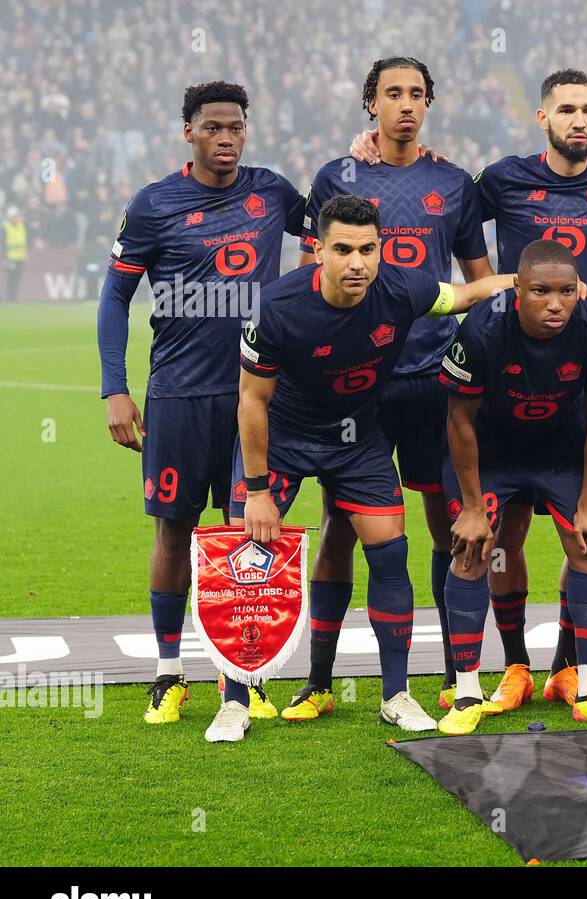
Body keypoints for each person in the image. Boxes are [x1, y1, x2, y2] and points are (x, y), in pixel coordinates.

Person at [210, 194, 512, 743]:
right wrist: (256, 491)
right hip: (282, 440)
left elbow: (468, 292)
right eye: (343, 250)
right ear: (319, 251)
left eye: (368, 249)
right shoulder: (276, 306)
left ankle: (395, 694)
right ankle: (235, 698)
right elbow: (251, 402)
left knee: (390, 548)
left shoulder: (401, 287)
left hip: (356, 439)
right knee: (243, 555)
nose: (357, 263)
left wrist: (533, 281)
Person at [285, 56, 493, 723]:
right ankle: (318, 682)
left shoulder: (452, 182)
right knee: (341, 526)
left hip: (434, 380)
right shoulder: (336, 179)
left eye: (416, 94)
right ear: (369, 103)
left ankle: (457, 677)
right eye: (392, 94)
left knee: (447, 522)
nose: (406, 104)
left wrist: (479, 360)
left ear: (429, 103)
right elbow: (307, 281)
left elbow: (476, 280)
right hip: (359, 386)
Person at [96, 81, 305, 725]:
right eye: (214, 127)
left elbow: (334, 225)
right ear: (189, 131)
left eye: (236, 127)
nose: (227, 138)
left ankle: (242, 676)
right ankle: (167, 674)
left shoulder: (271, 191)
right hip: (179, 395)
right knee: (173, 529)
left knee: (246, 532)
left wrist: (368, 151)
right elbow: (114, 299)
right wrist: (115, 388)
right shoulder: (154, 204)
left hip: (256, 395)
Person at [435, 239, 587, 734]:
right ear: (518, 289)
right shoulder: (483, 329)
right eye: (541, 292)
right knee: (472, 548)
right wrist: (470, 506)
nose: (555, 304)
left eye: (566, 291)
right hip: (493, 451)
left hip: (562, 450)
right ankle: (467, 695)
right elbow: (459, 418)